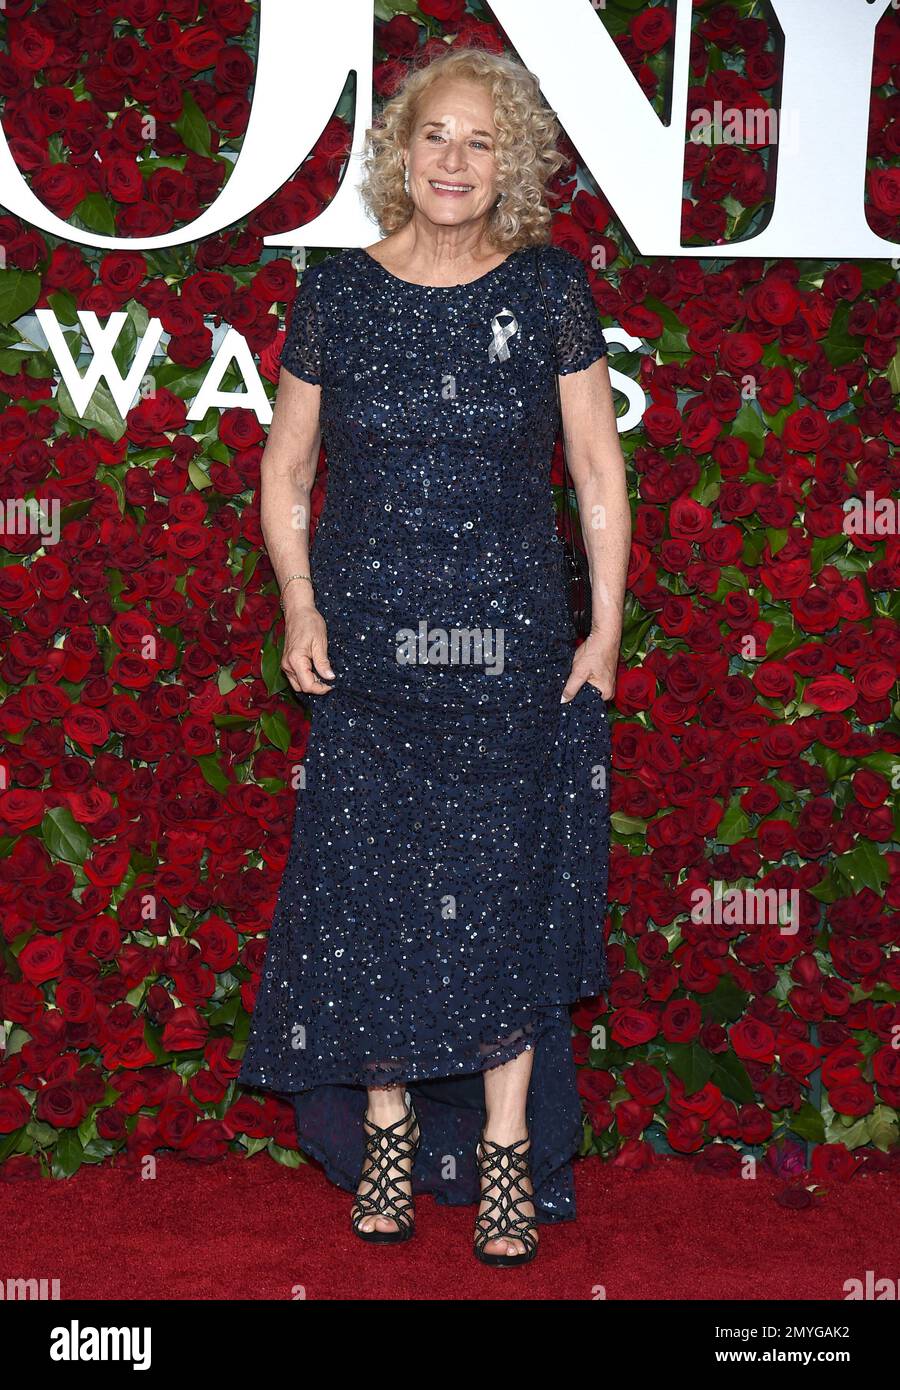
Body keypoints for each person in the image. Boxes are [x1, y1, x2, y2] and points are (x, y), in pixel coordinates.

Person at [239, 43, 629, 1267]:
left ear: (507, 160)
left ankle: (508, 1150)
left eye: (479, 140)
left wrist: (605, 625)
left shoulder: (551, 289)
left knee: (503, 899)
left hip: (509, 649)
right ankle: (391, 1132)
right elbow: (284, 467)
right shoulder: (339, 292)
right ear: (399, 151)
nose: (453, 160)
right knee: (376, 900)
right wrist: (301, 606)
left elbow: (596, 470)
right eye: (434, 136)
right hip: (369, 650)